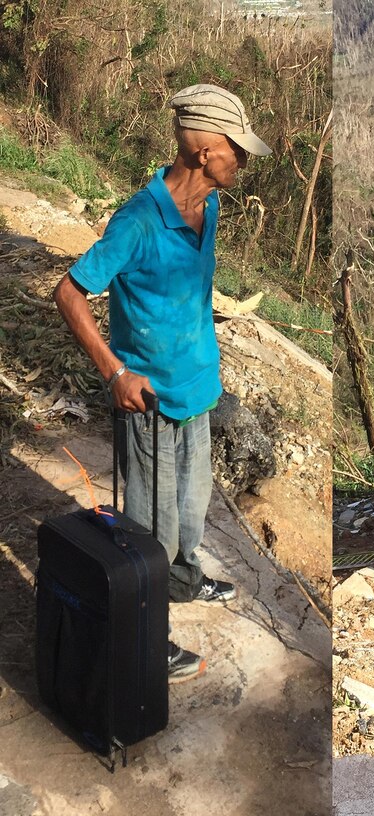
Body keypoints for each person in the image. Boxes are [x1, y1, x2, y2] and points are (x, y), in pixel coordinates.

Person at [53, 84, 272, 683]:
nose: (243, 162)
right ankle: (147, 639)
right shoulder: (137, 222)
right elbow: (69, 293)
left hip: (199, 391)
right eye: (237, 150)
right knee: (148, 533)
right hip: (148, 405)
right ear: (205, 152)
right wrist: (115, 371)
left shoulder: (211, 207)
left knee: (191, 513)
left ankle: (186, 575)